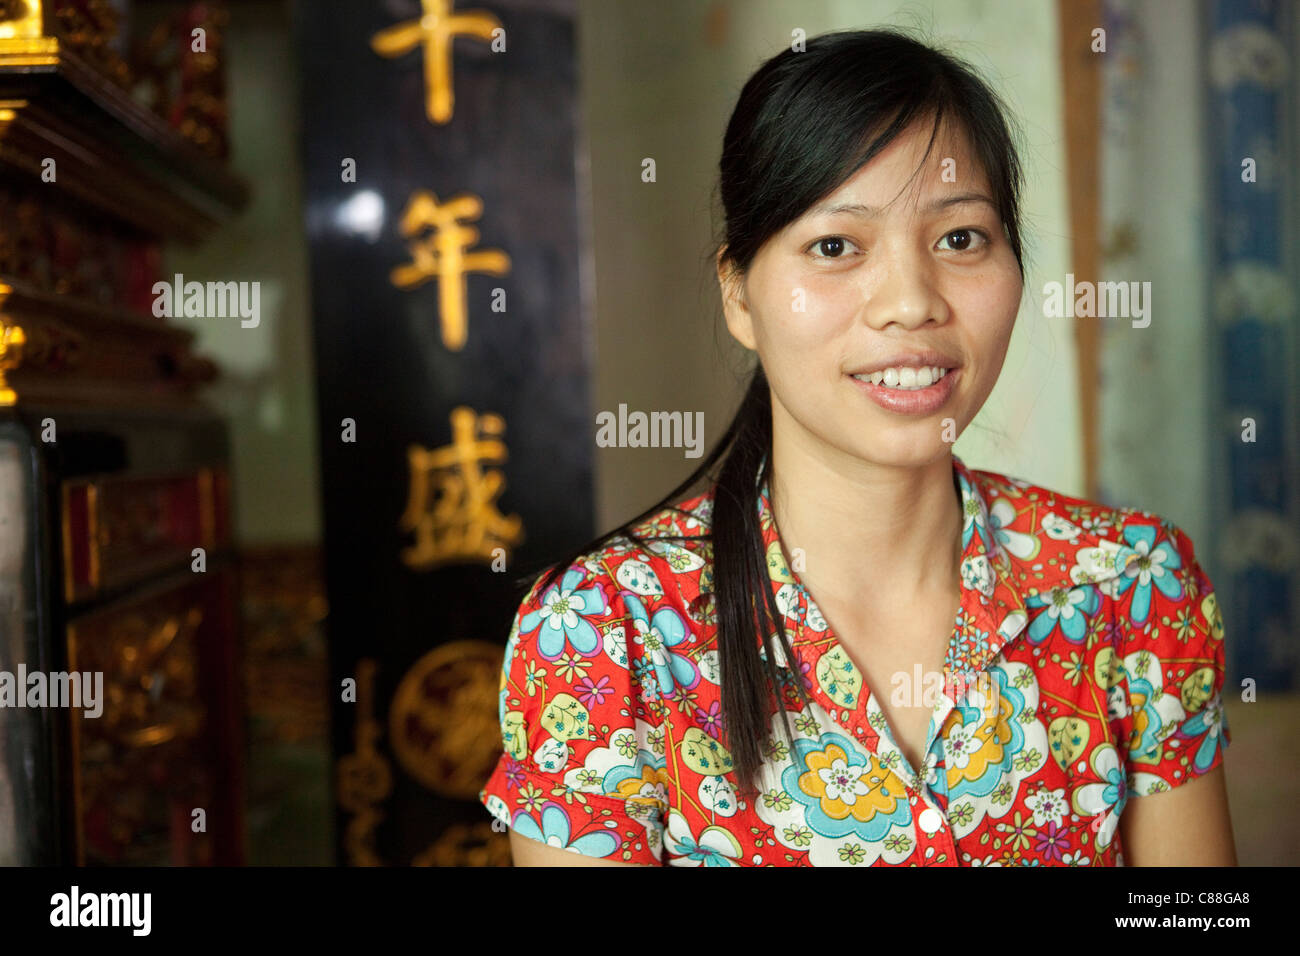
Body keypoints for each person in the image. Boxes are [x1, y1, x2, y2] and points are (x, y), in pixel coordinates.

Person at [478, 27, 1236, 866]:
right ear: (738, 294)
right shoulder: (601, 635)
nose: (910, 303)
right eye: (835, 246)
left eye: (960, 239)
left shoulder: (1130, 588)